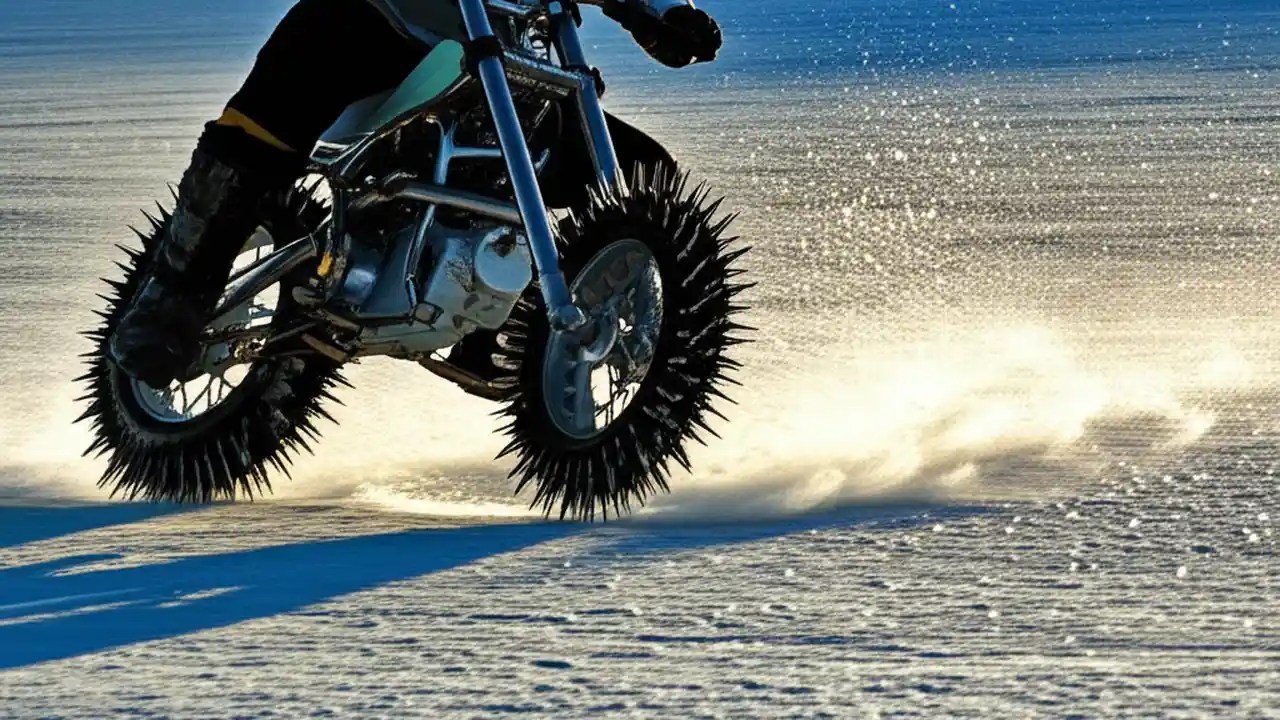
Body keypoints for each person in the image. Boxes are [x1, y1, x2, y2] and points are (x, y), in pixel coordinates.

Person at [109, 0, 722, 388]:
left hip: (498, 61)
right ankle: (173, 294)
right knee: (257, 129)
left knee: (643, 174)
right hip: (373, 21)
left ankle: (505, 333)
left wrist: (665, 13)